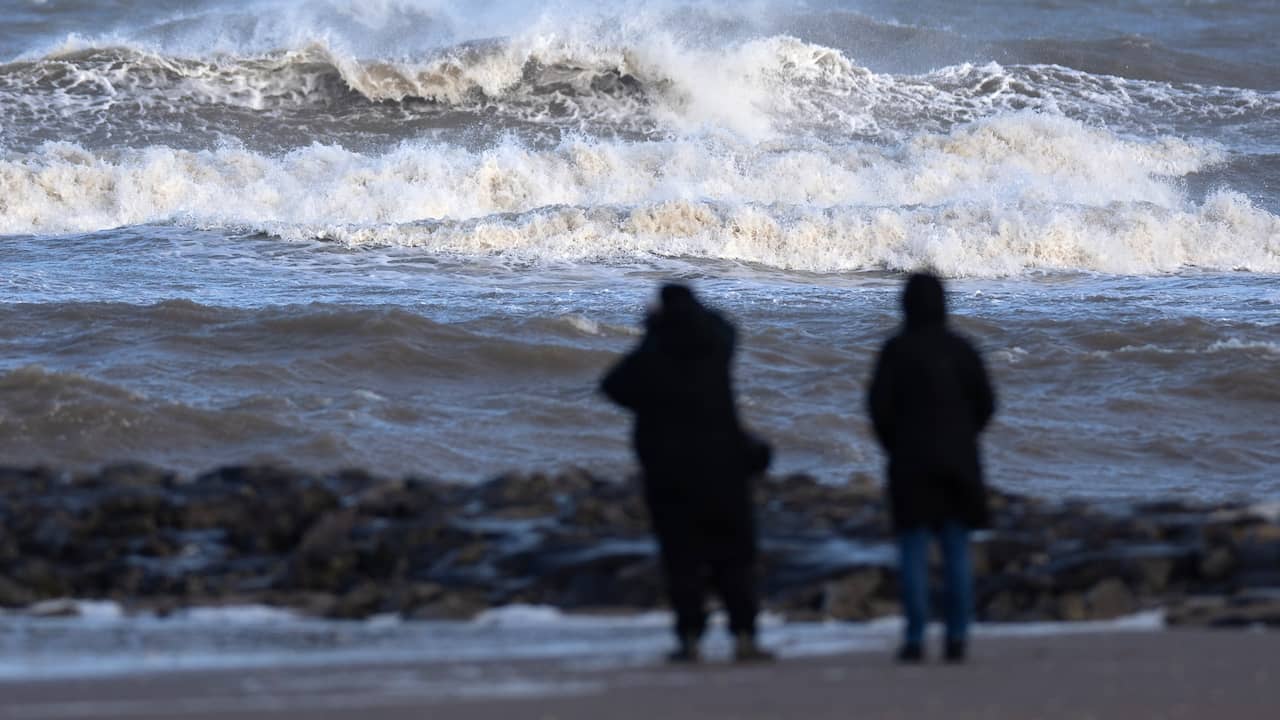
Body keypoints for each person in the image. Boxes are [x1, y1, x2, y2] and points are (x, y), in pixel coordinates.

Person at [601, 283, 773, 663]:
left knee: (682, 561)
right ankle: (745, 636)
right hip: (724, 471)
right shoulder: (715, 349)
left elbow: (613, 386)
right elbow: (728, 329)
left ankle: (690, 640)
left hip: (671, 474)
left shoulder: (655, 355)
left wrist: (653, 331)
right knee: (733, 558)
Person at [867, 272, 996, 663]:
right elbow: (986, 403)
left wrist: (894, 445)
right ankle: (957, 637)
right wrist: (964, 435)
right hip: (957, 460)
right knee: (956, 549)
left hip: (909, 462)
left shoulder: (896, 350)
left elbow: (878, 408)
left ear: (904, 304)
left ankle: (915, 638)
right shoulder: (962, 349)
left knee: (914, 549)